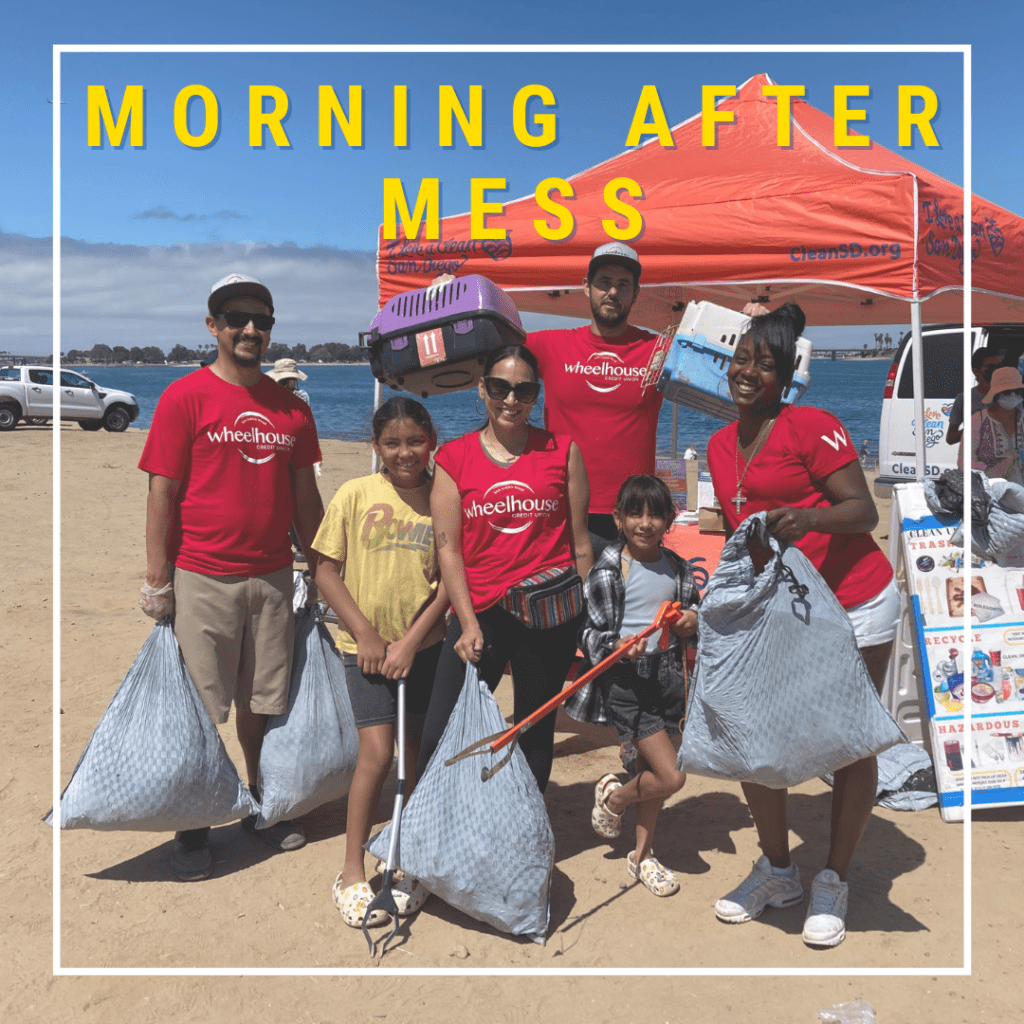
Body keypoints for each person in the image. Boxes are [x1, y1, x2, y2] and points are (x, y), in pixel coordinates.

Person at [705, 303, 898, 948]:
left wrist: (808, 520)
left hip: (855, 602)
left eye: (764, 364)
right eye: (741, 359)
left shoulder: (811, 425)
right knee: (754, 734)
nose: (748, 372)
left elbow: (862, 511)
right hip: (784, 612)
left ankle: (834, 878)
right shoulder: (718, 443)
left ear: (785, 378)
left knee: (850, 742)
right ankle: (779, 870)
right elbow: (741, 534)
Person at [138, 272, 324, 882]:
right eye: (237, 318)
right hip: (202, 578)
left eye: (262, 320)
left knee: (264, 703)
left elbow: (306, 503)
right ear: (213, 326)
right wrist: (157, 579)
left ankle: (260, 800)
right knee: (200, 707)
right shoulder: (184, 398)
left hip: (272, 577)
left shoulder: (292, 409)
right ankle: (193, 826)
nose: (251, 329)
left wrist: (325, 569)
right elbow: (162, 494)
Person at [419, 343, 594, 792]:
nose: (511, 400)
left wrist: (588, 617)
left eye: (524, 390)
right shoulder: (453, 459)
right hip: (482, 615)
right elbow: (450, 551)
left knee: (534, 731)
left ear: (537, 395)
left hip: (549, 613)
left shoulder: (563, 451)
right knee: (441, 731)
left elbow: (579, 545)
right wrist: (467, 621)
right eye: (500, 388)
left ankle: (526, 840)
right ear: (482, 390)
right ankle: (428, 835)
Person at [312, 397, 448, 930]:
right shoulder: (354, 494)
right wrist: (365, 633)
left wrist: (412, 640)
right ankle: (350, 870)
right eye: (392, 444)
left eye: (415, 441)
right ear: (376, 446)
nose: (404, 453)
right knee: (377, 752)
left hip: (424, 648)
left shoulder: (442, 497)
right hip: (364, 651)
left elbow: (448, 582)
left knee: (414, 750)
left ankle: (402, 851)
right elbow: (326, 571)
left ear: (431, 439)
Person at [579, 475, 699, 898]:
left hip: (668, 678)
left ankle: (643, 856)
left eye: (655, 514)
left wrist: (691, 621)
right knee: (672, 776)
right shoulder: (608, 571)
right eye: (635, 513)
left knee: (651, 772)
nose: (645, 523)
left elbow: (693, 615)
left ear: (670, 520)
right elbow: (589, 635)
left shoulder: (679, 568)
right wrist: (616, 647)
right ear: (618, 519)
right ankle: (615, 800)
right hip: (626, 683)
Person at [525, 243, 661, 555]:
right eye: (604, 282)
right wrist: (454, 298)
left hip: (633, 517)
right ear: (586, 288)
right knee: (570, 605)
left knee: (632, 605)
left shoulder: (659, 350)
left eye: (623, 285)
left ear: (636, 293)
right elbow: (485, 342)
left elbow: (725, 362)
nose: (613, 292)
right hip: (564, 512)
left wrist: (752, 322)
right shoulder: (550, 345)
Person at [967, 365, 1024, 484]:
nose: (1013, 396)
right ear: (997, 395)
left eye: (1018, 392)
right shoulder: (978, 420)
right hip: (991, 488)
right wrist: (994, 470)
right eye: (1007, 392)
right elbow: (967, 458)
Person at [946, 347, 1000, 446]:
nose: (996, 370)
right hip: (975, 458)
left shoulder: (1009, 397)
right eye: (991, 366)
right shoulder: (963, 399)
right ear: (976, 371)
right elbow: (950, 438)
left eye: (999, 366)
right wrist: (977, 427)